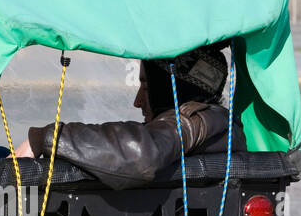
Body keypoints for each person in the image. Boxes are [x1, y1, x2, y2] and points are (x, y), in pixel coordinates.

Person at [13, 44, 244, 189]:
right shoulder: (214, 123)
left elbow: (142, 154)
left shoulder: (197, 122)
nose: (137, 101)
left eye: (146, 86)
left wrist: (45, 138)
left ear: (171, 88)